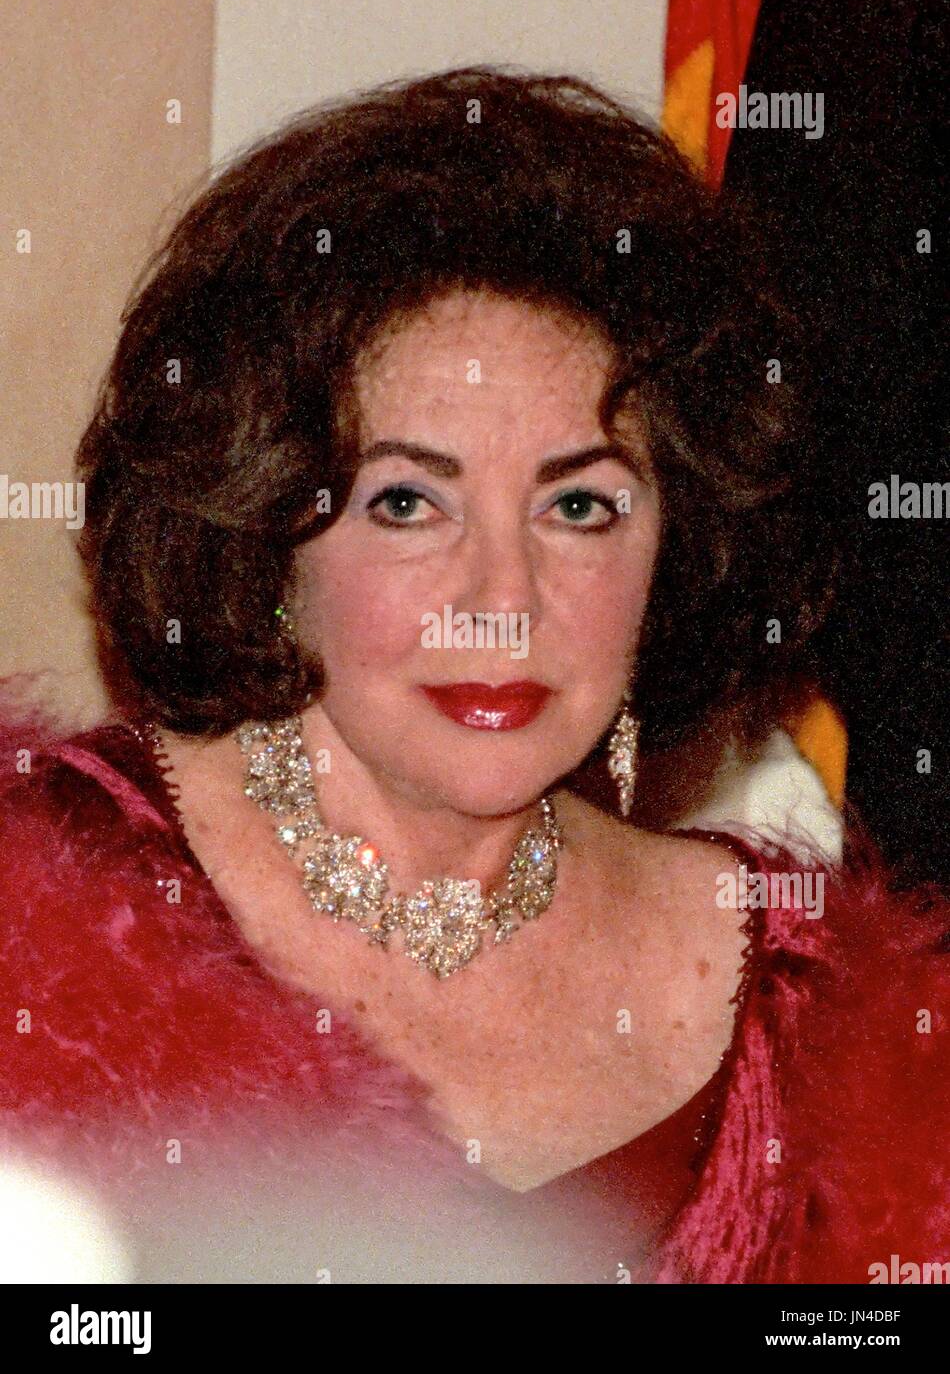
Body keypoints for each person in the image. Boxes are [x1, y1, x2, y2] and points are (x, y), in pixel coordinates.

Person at [0, 65, 946, 1285]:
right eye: (407, 500)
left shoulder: (823, 1017)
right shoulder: (46, 913)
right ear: (268, 528)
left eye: (578, 505)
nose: (503, 601)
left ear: (676, 548)